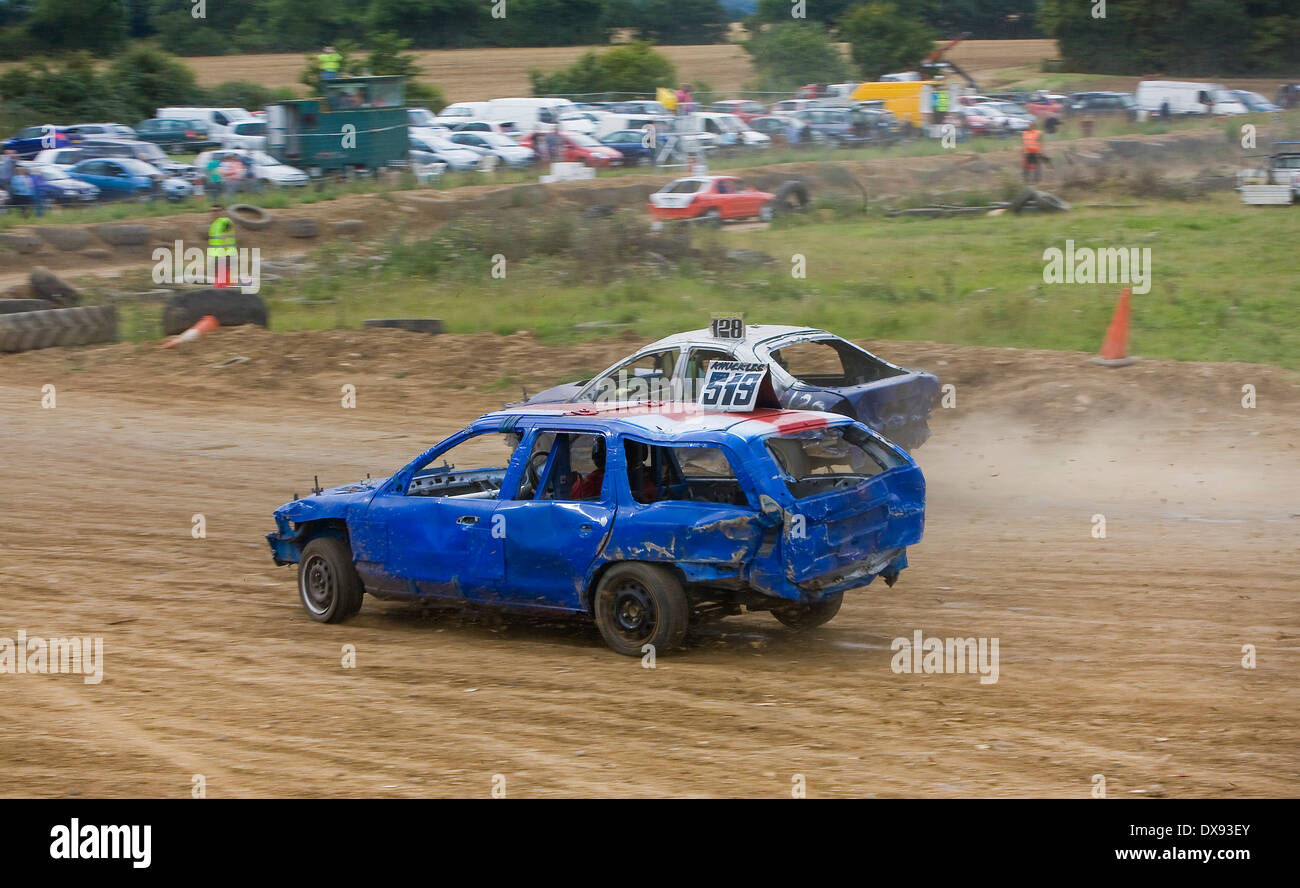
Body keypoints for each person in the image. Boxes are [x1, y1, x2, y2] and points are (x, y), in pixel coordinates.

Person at [207, 205, 237, 288]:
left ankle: (224, 291)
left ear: (222, 212)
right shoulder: (214, 224)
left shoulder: (225, 221)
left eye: (217, 211)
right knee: (222, 275)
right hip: (217, 255)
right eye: (212, 211)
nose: (214, 213)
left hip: (225, 254)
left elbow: (229, 226)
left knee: (223, 277)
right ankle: (227, 290)